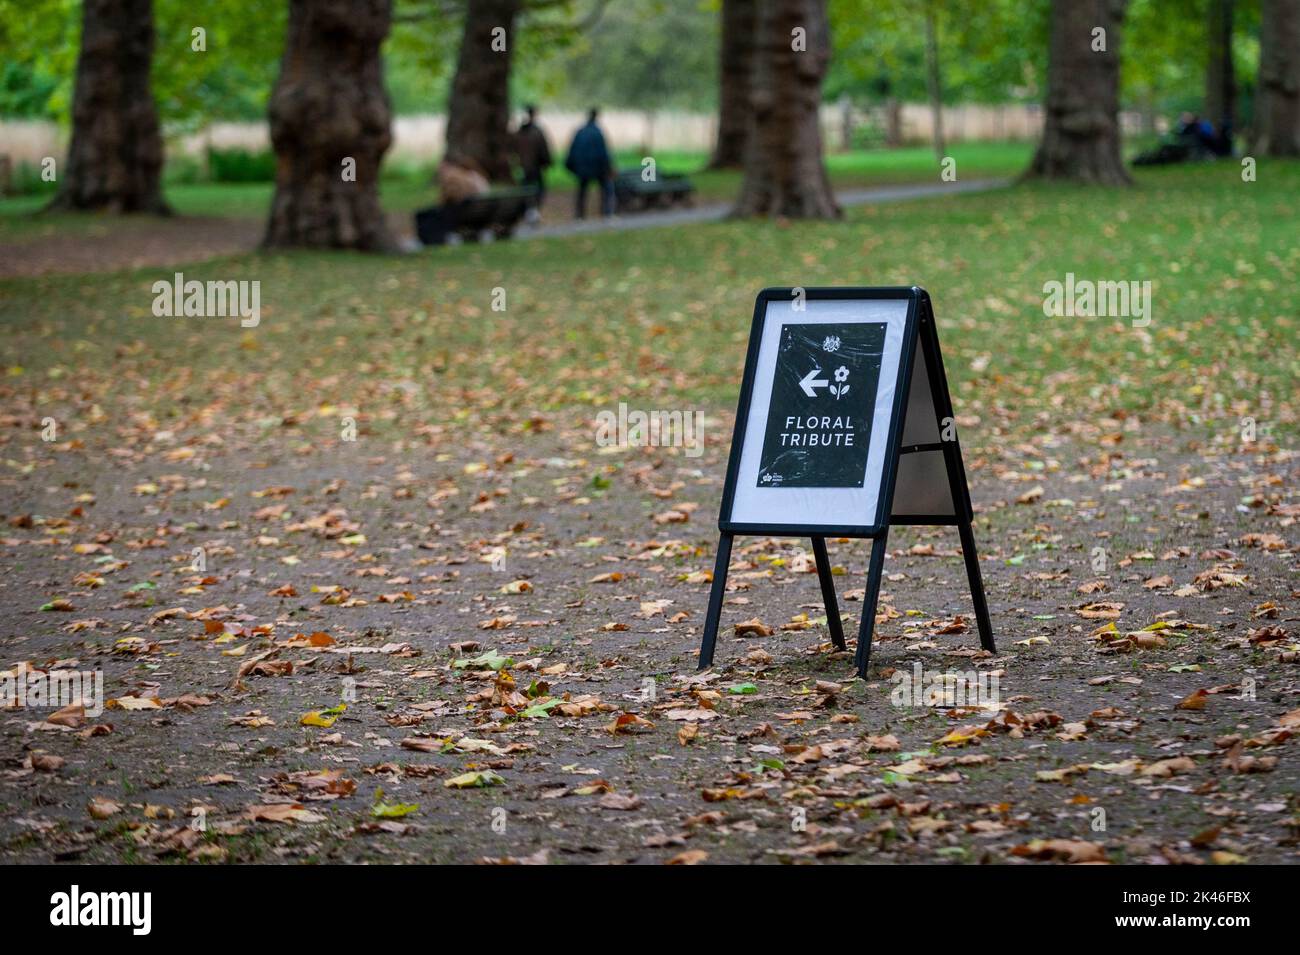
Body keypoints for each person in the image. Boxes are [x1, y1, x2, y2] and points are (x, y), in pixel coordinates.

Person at [565, 108, 615, 219]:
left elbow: (572, 150)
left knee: (582, 191)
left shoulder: (580, 132)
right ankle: (606, 212)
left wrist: (572, 165)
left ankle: (580, 214)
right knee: (606, 188)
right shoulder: (598, 132)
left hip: (582, 167)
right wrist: (609, 166)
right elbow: (603, 152)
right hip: (597, 167)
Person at [514, 105, 552, 223]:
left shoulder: (520, 132)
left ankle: (529, 211)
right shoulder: (537, 131)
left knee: (526, 190)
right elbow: (543, 149)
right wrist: (546, 162)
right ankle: (533, 211)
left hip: (523, 167)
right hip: (535, 167)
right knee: (538, 190)